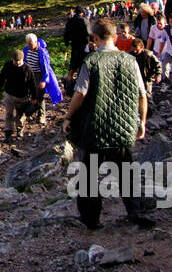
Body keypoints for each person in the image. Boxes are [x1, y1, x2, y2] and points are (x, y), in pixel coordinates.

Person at [64, 18, 153, 230]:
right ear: (114, 37)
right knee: (126, 171)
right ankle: (135, 211)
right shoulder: (130, 60)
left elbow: (80, 93)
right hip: (123, 125)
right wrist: (142, 121)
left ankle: (91, 219)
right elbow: (142, 95)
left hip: (95, 126)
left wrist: (68, 117)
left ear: (94, 38)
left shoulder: (91, 62)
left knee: (90, 175)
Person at [0, 49, 38, 145]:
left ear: (23, 59)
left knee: (20, 116)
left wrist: (34, 98)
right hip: (9, 95)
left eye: (19, 61)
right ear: (12, 60)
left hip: (22, 97)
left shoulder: (27, 69)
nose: (18, 63)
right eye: (16, 61)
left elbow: (32, 84)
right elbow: (1, 77)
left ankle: (19, 130)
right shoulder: (8, 65)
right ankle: (8, 133)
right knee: (9, 114)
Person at [23, 33, 64, 123]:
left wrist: (44, 80)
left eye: (31, 43)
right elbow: (24, 62)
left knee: (39, 95)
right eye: (28, 43)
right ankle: (29, 113)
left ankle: (41, 115)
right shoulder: (26, 50)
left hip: (38, 74)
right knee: (29, 94)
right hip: (29, 74)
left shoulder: (41, 52)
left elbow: (45, 66)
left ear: (35, 42)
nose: (29, 45)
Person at [129, 37, 162, 102]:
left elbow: (158, 65)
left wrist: (158, 75)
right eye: (133, 50)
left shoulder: (148, 55)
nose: (135, 51)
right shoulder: (130, 55)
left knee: (147, 96)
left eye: (137, 50)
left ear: (142, 47)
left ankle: (151, 110)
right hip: (135, 78)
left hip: (147, 78)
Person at [64, 7, 90, 83]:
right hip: (83, 45)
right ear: (82, 13)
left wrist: (67, 43)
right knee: (83, 63)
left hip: (74, 44)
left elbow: (66, 33)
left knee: (73, 63)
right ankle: (80, 81)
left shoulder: (70, 21)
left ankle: (69, 81)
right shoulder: (85, 20)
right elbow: (88, 33)